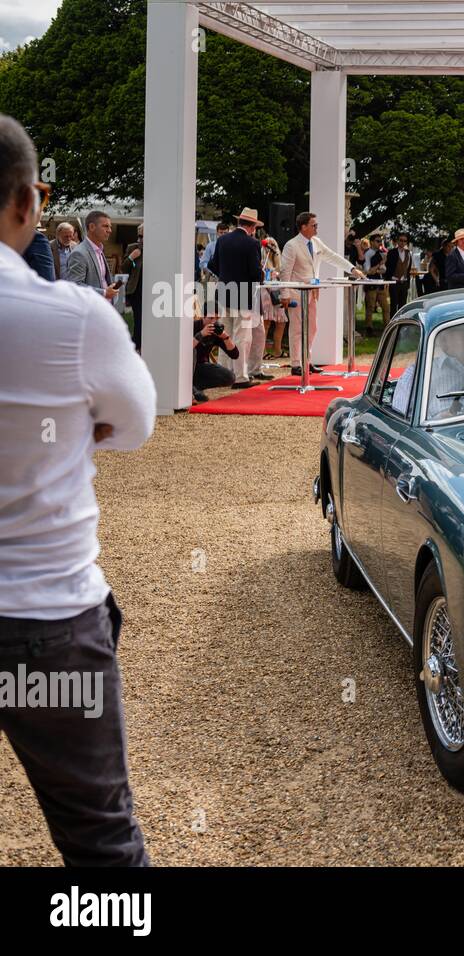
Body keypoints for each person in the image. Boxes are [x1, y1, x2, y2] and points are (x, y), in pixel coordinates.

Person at [0, 114, 155, 866]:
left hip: (49, 615)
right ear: (29, 202)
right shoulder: (74, 320)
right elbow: (134, 425)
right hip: (49, 620)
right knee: (98, 834)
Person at [278, 211, 365, 375]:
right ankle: (296, 364)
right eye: (314, 225)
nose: (317, 228)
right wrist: (285, 294)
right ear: (303, 227)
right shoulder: (292, 245)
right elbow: (285, 272)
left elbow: (333, 256)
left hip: (312, 293)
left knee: (313, 327)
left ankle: (306, 360)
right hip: (296, 293)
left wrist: (352, 269)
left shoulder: (316, 242)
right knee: (297, 328)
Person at [206, 207, 267, 389]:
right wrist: (261, 274)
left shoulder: (223, 239)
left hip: (224, 291)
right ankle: (240, 377)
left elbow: (212, 265)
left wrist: (226, 275)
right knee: (242, 336)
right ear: (253, 226)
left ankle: (225, 374)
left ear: (240, 222)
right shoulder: (252, 243)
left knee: (225, 333)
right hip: (243, 294)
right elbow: (255, 273)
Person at [65, 210, 121, 302]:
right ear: (91, 227)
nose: (110, 230)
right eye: (105, 226)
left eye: (110, 227)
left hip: (102, 306)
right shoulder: (79, 253)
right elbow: (75, 285)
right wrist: (104, 292)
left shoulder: (99, 249)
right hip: (90, 309)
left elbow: (101, 279)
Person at [191, 314, 240, 402]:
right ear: (203, 316)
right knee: (193, 351)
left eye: (217, 318)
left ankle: (195, 387)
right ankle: (191, 389)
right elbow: (184, 349)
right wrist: (200, 334)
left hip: (201, 366)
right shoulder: (193, 326)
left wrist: (225, 337)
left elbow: (234, 354)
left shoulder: (215, 332)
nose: (214, 321)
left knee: (229, 377)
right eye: (211, 318)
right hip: (184, 367)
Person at [385, 232, 415, 315]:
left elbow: (408, 269)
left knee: (403, 305)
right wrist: (388, 280)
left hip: (404, 282)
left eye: (405, 241)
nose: (402, 243)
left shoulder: (408, 253)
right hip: (394, 281)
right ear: (397, 241)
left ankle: (401, 324)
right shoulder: (392, 252)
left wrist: (407, 282)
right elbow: (388, 267)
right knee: (394, 304)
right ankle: (393, 324)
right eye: (401, 240)